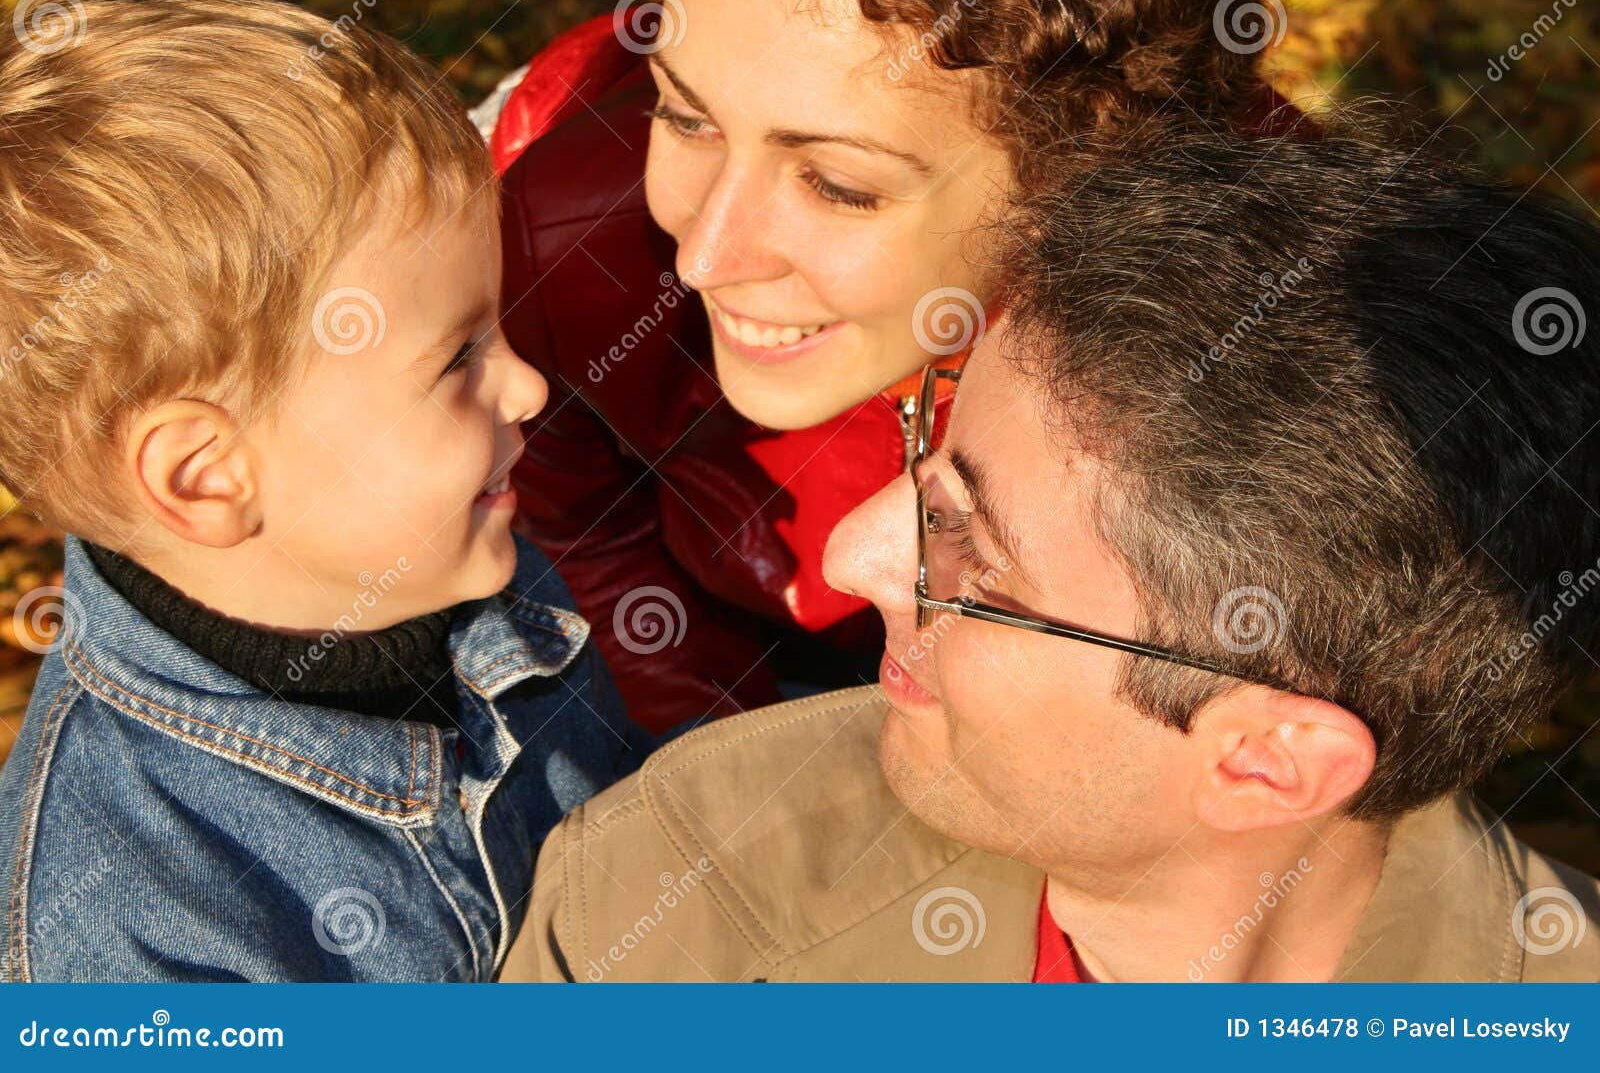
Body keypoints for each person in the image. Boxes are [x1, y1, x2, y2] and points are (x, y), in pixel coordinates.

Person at [503, 125, 1600, 982]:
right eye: (929, 449)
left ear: (1263, 759)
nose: (850, 554)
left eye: (972, 551)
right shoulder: (691, 866)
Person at [489, 0, 1302, 733]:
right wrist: (729, 766)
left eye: (837, 185)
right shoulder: (564, 245)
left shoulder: (1288, 338)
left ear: (1086, 185)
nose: (702, 257)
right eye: (684, 115)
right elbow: (591, 537)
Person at [0, 0, 644, 981]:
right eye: (454, 358)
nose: (525, 385)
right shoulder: (128, 927)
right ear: (208, 475)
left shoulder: (467, 570)